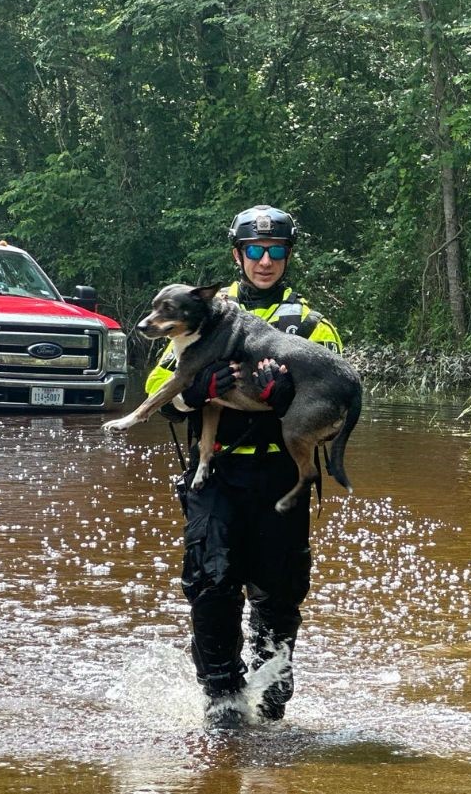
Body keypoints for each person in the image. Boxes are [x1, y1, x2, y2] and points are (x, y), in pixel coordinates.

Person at [145, 204, 344, 729]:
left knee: (279, 594)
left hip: (283, 477)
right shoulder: (199, 310)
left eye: (276, 251)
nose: (265, 260)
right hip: (216, 474)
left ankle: (273, 698)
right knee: (211, 586)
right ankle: (222, 701)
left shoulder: (314, 327)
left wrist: (286, 397)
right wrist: (195, 394)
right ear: (237, 255)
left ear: (288, 256)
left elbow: (336, 402)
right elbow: (157, 390)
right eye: (254, 250)